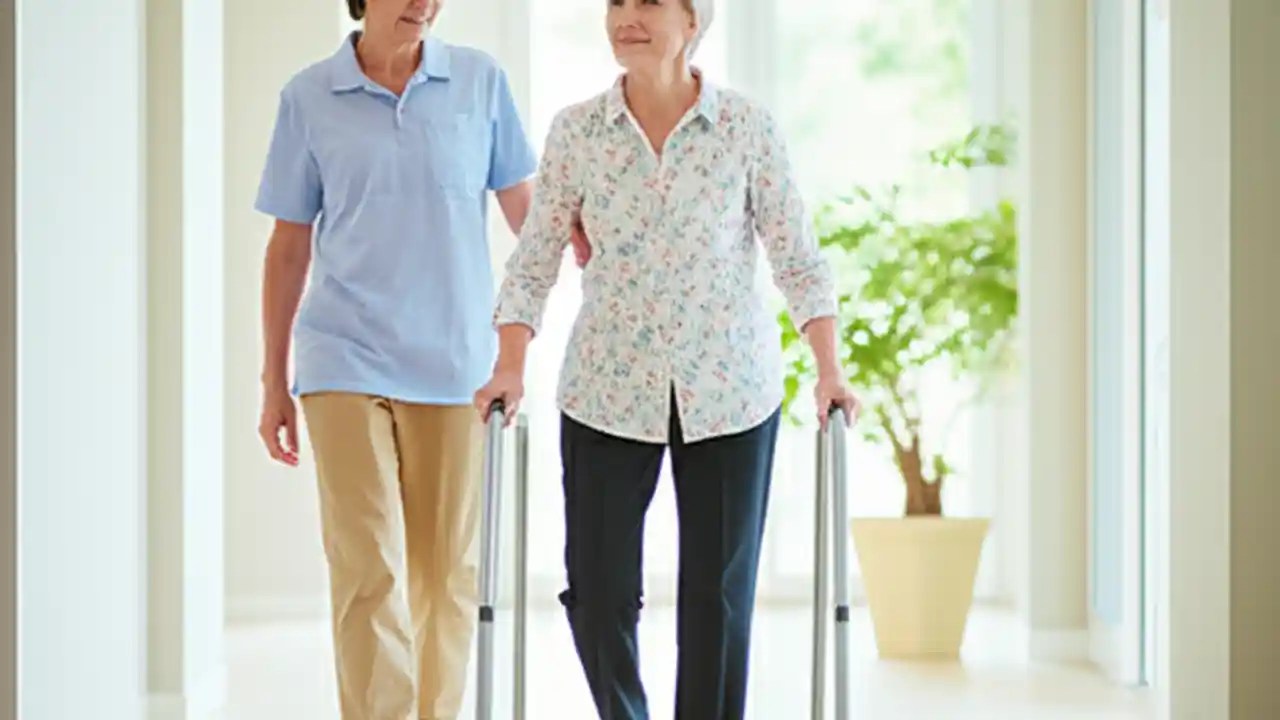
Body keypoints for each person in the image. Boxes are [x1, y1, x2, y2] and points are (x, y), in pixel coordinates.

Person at [473, 0, 861, 717]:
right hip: (607, 389)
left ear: (693, 20)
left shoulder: (745, 127)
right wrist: (510, 364)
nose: (627, 16)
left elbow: (798, 259)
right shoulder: (578, 132)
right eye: (617, 2)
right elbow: (533, 262)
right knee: (598, 592)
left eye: (649, 0)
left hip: (730, 392)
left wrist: (828, 369)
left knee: (718, 597)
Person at [253, 1, 572, 717]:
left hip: (456, 364)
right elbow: (289, 246)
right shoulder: (309, 96)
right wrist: (274, 380)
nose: (424, 3)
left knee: (446, 575)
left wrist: (591, 263)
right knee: (367, 568)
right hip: (342, 358)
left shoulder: (479, 82)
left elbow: (528, 212)